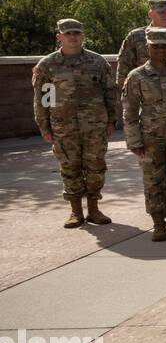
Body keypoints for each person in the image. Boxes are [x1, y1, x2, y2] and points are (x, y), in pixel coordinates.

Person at [34, 19, 117, 227]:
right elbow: (43, 98)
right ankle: (75, 212)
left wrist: (111, 121)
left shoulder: (98, 62)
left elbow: (110, 93)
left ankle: (94, 210)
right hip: (63, 127)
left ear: (83, 35)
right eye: (68, 33)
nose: (73, 36)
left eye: (77, 33)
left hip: (95, 127)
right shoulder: (48, 65)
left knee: (96, 167)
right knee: (69, 168)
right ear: (59, 36)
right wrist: (45, 127)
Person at [122, 27, 166, 240]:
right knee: (153, 182)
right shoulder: (137, 76)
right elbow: (130, 111)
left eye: (165, 46)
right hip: (150, 140)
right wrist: (133, 140)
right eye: (156, 46)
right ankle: (158, 224)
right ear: (147, 47)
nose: (160, 50)